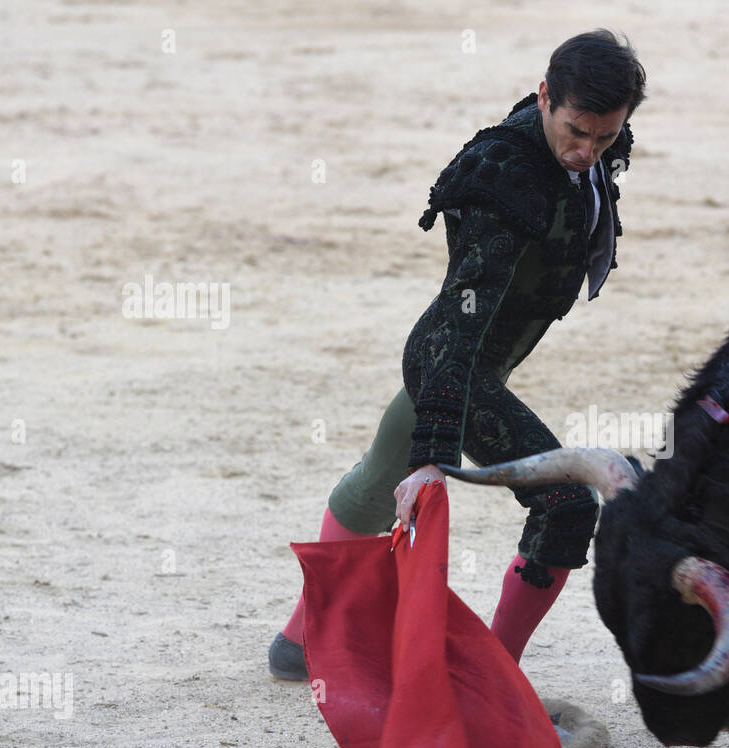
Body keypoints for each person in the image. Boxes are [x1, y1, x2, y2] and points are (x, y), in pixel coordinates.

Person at [270, 29, 646, 680]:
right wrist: (435, 457)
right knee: (567, 505)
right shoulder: (504, 177)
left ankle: (299, 641)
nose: (587, 151)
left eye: (606, 138)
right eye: (576, 132)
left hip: (480, 358)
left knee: (373, 478)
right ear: (544, 96)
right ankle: (496, 679)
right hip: (456, 360)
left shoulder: (592, 145)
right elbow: (460, 314)